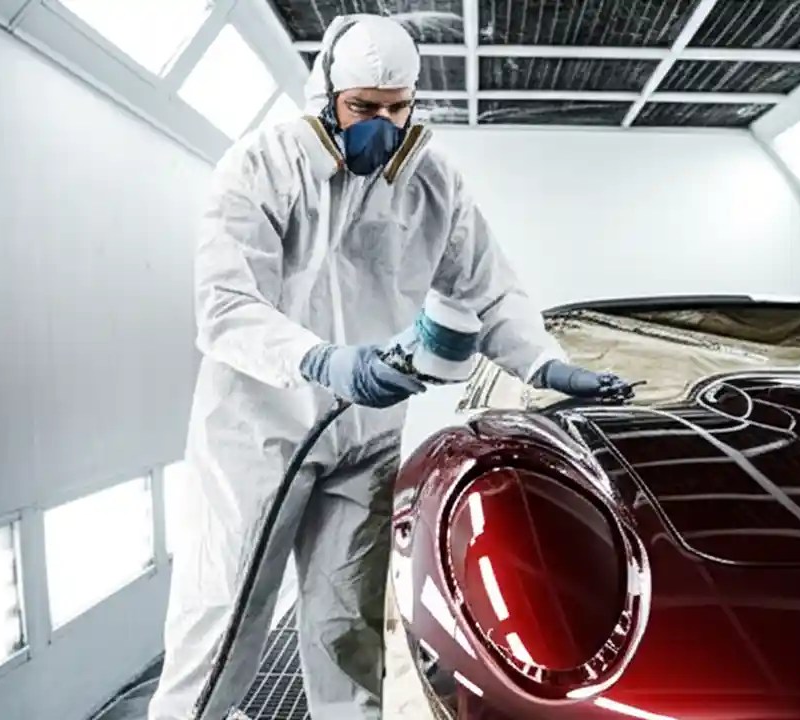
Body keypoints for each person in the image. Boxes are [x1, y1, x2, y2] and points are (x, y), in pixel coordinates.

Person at [148, 13, 632, 720]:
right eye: (363, 109)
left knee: (348, 628)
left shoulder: (432, 183)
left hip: (367, 437)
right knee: (223, 620)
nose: (381, 126)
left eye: (395, 109)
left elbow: (489, 290)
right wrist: (322, 360)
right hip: (259, 433)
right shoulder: (260, 168)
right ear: (327, 99)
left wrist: (550, 368)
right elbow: (224, 306)